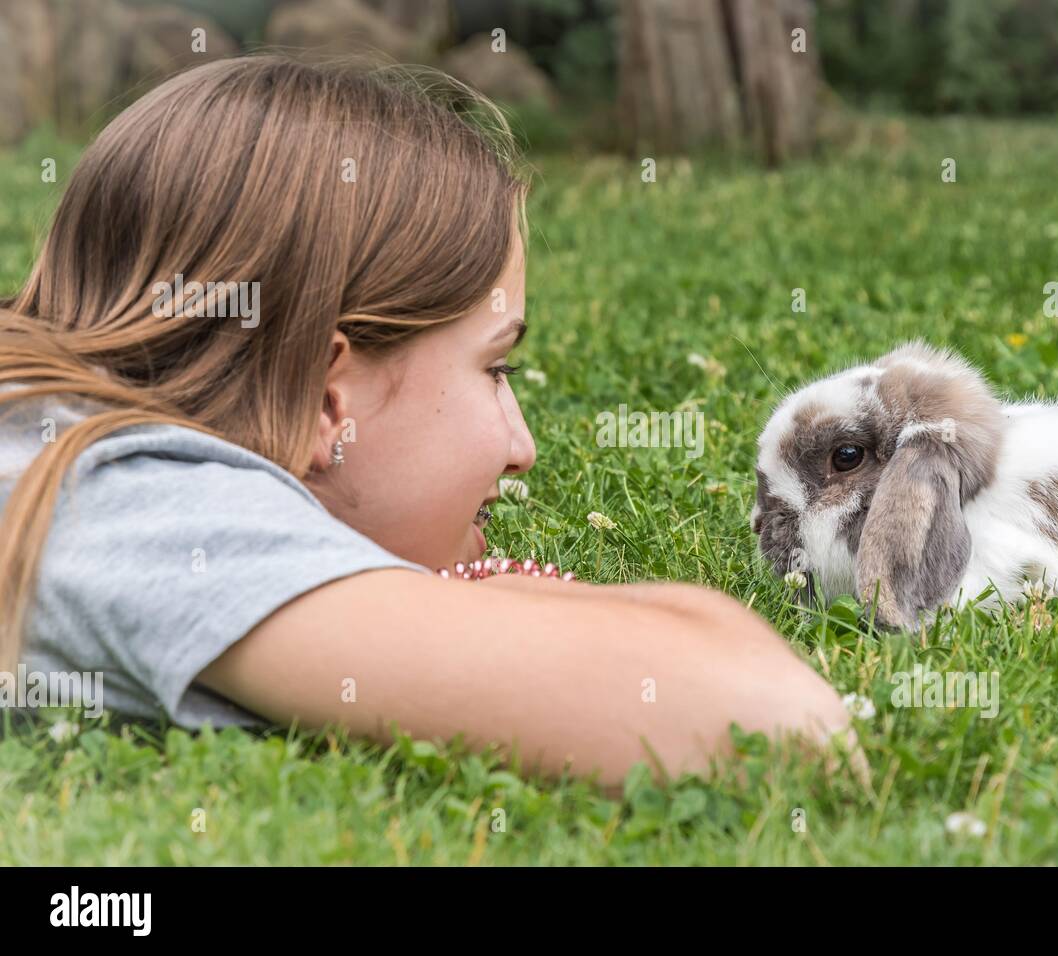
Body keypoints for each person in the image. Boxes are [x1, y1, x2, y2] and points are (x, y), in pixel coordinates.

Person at [0, 55, 856, 788]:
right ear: (320, 400)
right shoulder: (142, 514)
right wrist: (469, 603)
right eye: (496, 368)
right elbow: (774, 724)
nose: (522, 450)